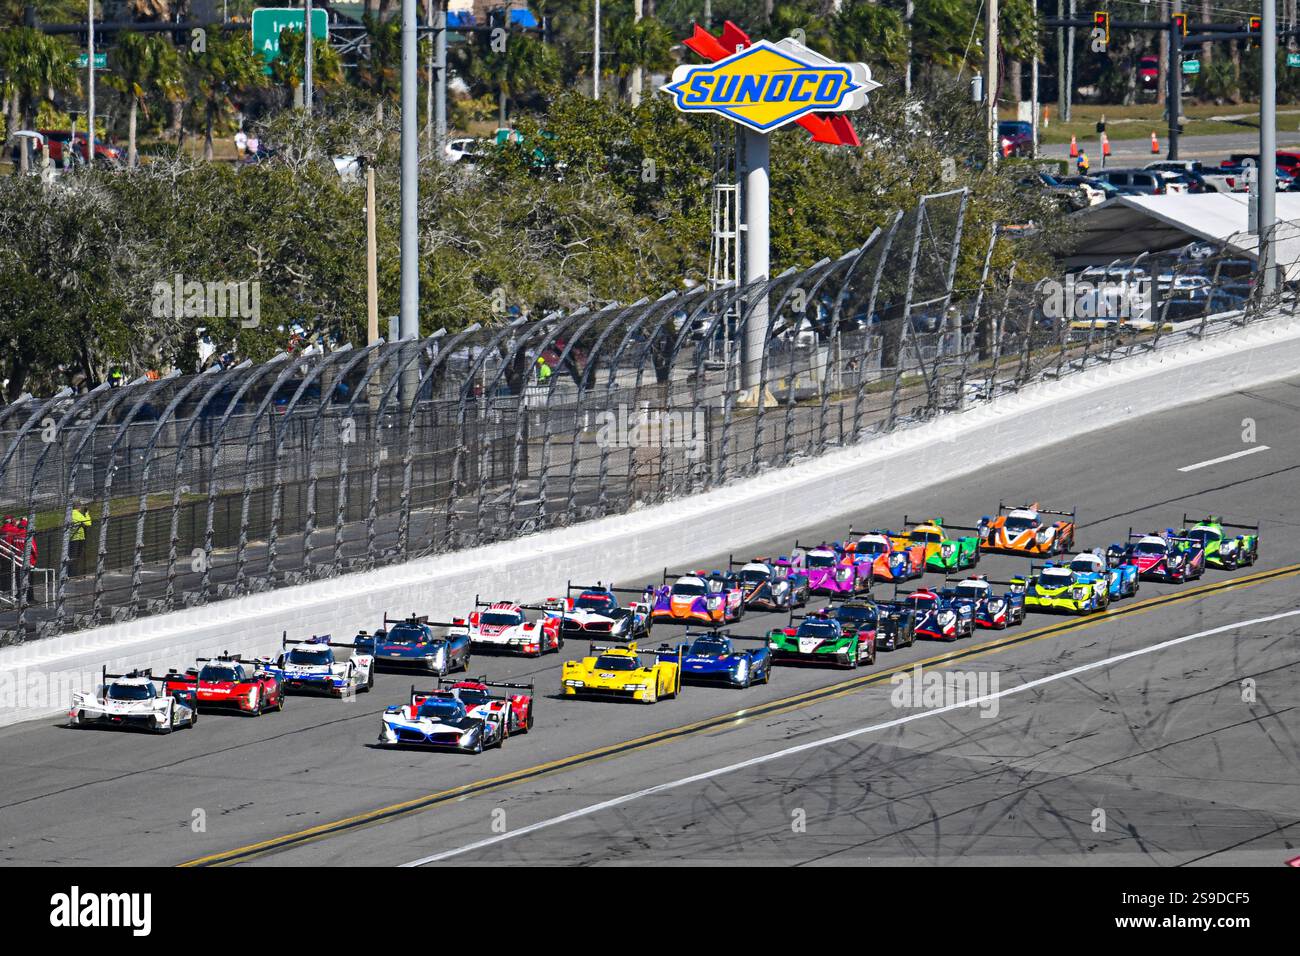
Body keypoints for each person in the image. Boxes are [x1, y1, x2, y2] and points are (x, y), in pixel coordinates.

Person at [70, 504, 91, 573]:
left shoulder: (69, 514)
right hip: (78, 538)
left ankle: (71, 572)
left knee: (71, 556)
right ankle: (73, 573)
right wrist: (87, 514)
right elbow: (88, 523)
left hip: (71, 538)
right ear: (79, 507)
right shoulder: (77, 514)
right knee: (76, 556)